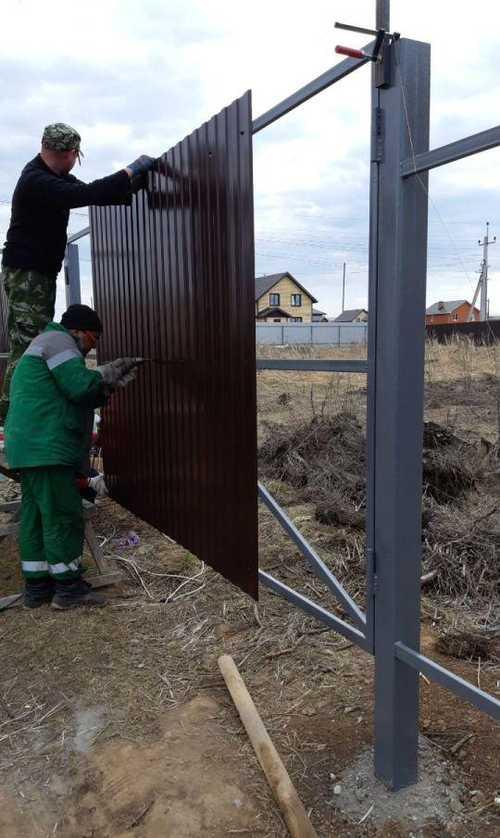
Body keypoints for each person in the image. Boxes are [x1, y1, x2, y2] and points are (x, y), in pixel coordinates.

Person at [0, 122, 155, 420]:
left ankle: (11, 416)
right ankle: (12, 419)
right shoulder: (37, 180)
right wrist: (130, 171)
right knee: (30, 345)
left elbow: (88, 192)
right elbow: (85, 195)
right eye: (76, 156)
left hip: (35, 273)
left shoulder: (51, 177)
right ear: (70, 153)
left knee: (28, 343)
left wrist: (128, 189)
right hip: (28, 274)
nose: (75, 162)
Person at [4, 303, 140, 610]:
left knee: (37, 517)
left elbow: (78, 393)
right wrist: (107, 374)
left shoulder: (45, 344)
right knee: (63, 516)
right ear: (78, 331)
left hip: (30, 447)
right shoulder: (60, 343)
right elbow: (79, 388)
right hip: (46, 448)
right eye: (93, 340)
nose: (92, 347)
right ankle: (69, 590)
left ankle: (37, 587)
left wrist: (105, 386)